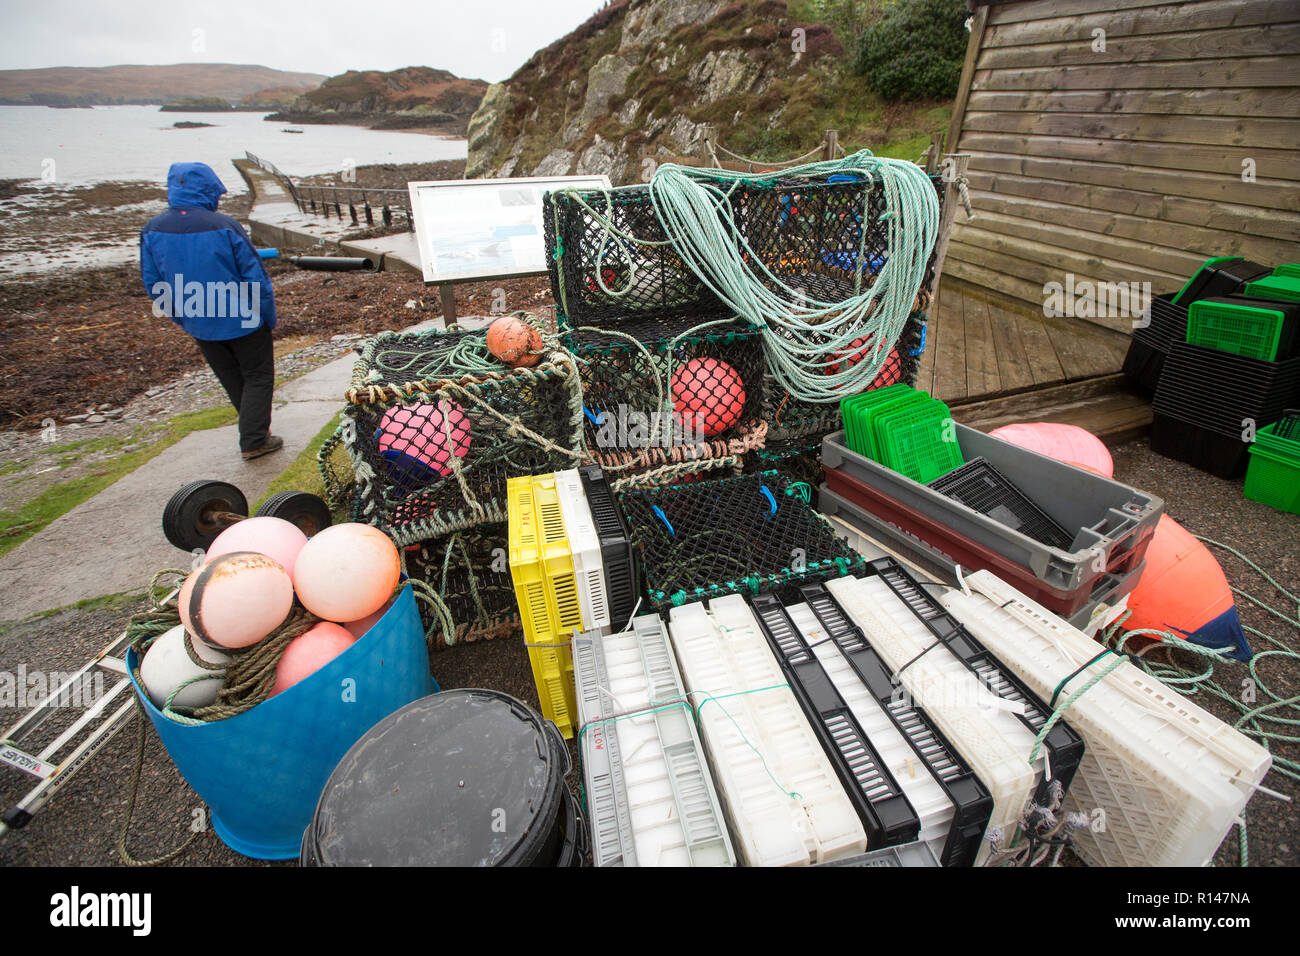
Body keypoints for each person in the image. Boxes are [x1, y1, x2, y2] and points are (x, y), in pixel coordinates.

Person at [140, 161, 283, 460]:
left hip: (199, 321)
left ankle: (255, 432)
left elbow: (154, 283)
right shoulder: (224, 225)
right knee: (258, 376)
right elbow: (255, 277)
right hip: (243, 318)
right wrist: (267, 316)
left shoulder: (152, 230)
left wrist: (182, 317)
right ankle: (254, 439)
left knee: (232, 378)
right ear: (208, 189)